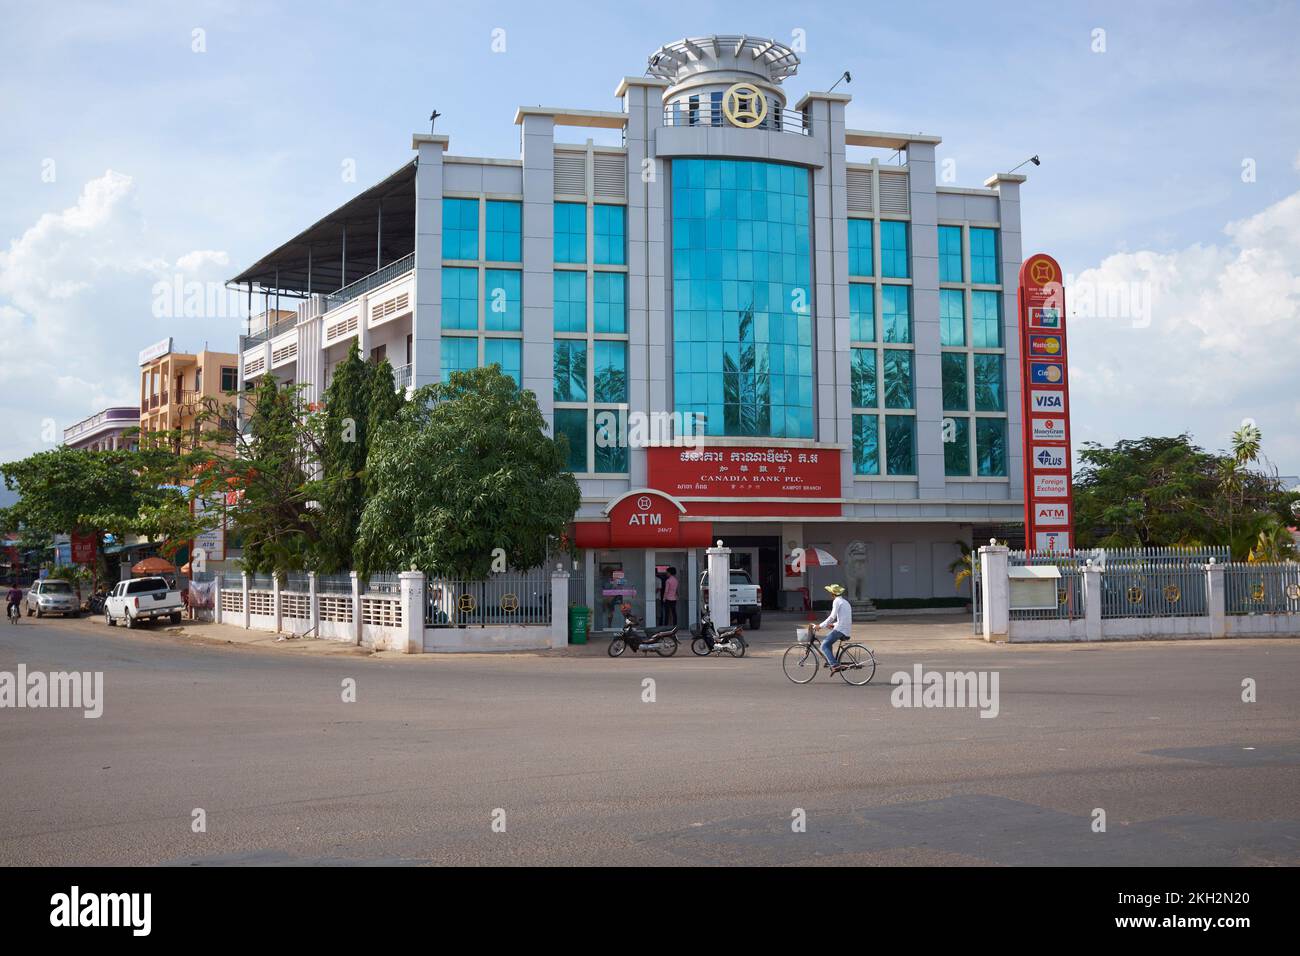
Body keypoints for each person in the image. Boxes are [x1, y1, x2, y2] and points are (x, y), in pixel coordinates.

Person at [816, 583, 853, 672]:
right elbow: (843, 618)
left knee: (824, 645)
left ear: (833, 594)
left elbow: (832, 616)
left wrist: (820, 626)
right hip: (845, 629)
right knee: (829, 641)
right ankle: (831, 661)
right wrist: (834, 625)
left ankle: (834, 665)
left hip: (841, 630)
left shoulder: (836, 601)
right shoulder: (845, 601)